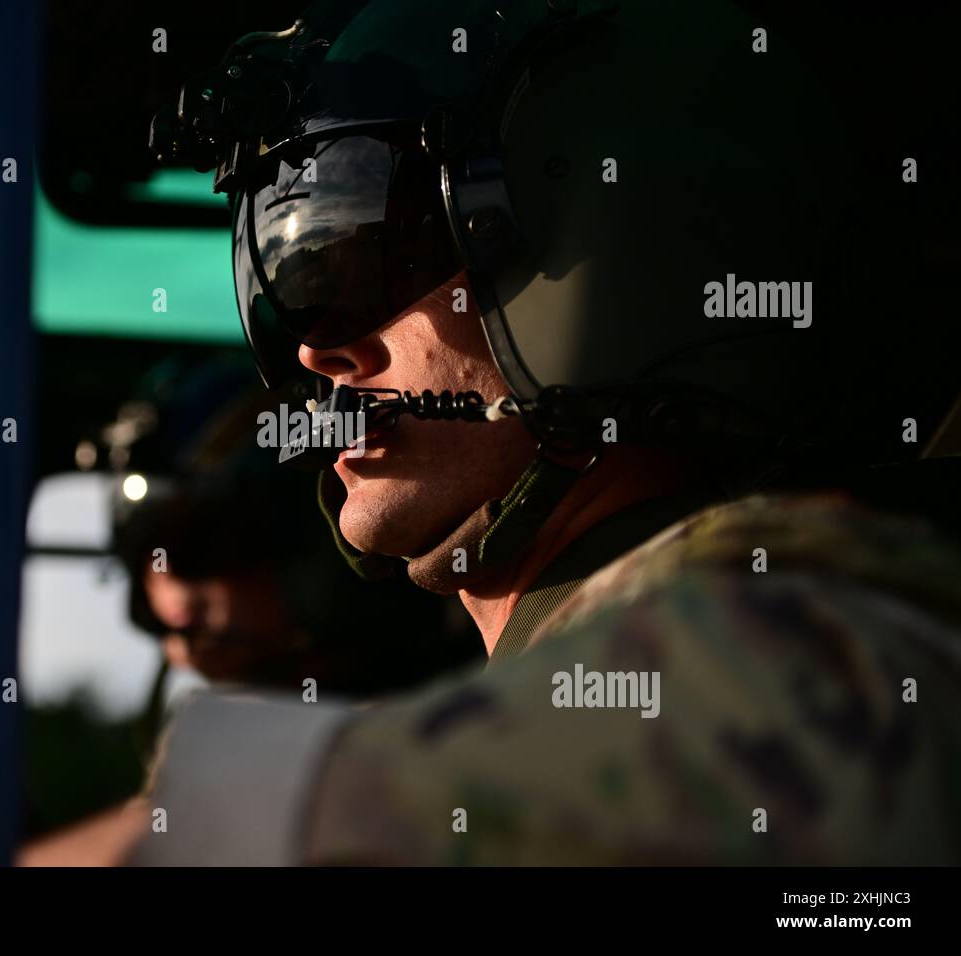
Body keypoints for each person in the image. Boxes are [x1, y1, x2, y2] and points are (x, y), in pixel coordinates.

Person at [89, 0, 961, 865]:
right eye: (279, 275)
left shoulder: (780, 639)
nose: (319, 351)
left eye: (363, 255)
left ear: (617, 248)